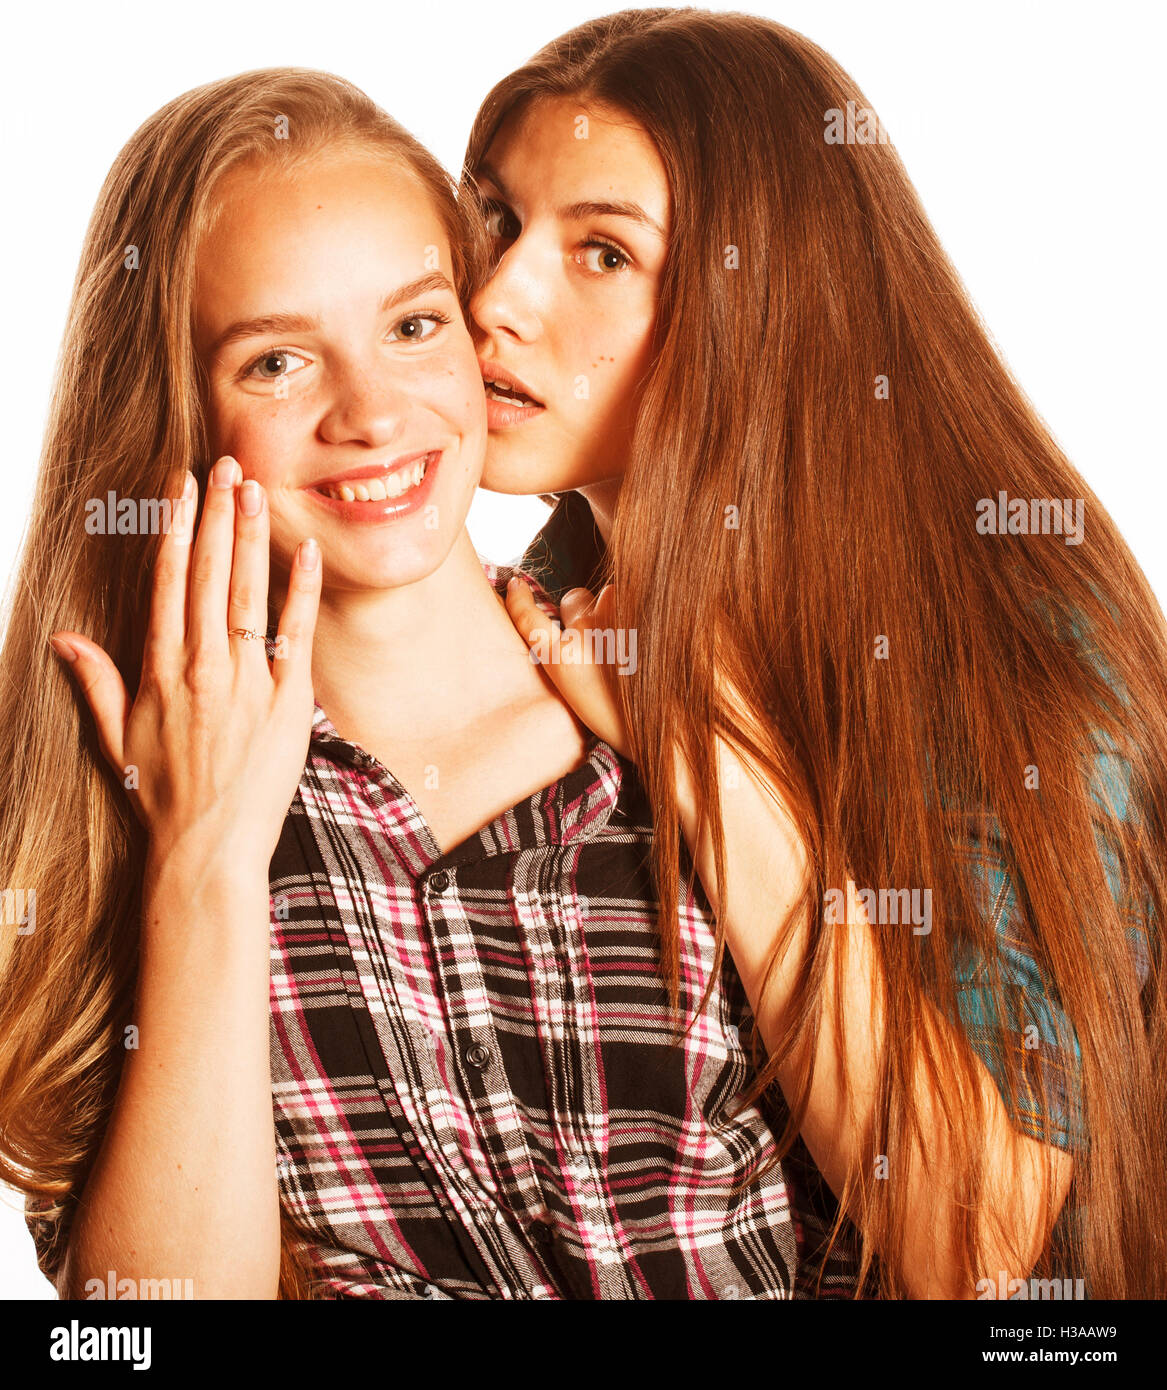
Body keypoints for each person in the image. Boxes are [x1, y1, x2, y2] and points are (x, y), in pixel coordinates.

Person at [0, 67, 851, 1300]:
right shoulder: (103, 816)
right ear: (172, 422)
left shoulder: (691, 714)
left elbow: (952, 1238)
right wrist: (207, 864)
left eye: (413, 326)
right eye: (277, 363)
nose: (374, 412)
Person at [465, 9, 1167, 1297]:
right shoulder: (533, 608)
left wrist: (702, 745)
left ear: (763, 295)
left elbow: (978, 1247)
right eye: (497, 221)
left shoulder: (1020, 645)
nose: (494, 299)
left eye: (604, 252)